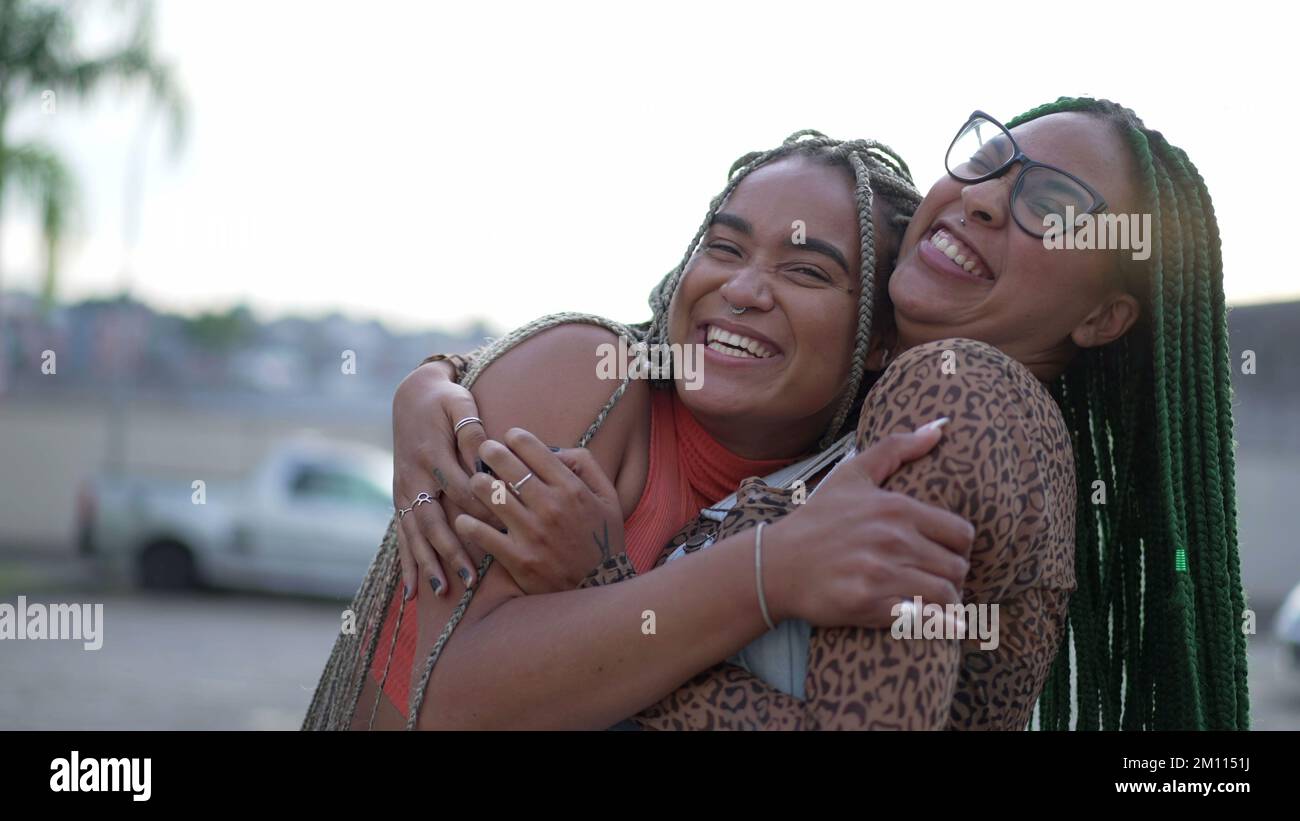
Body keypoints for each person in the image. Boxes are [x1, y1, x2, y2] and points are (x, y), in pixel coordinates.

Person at [304, 99, 1247, 731]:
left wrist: (626, 575)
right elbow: (443, 699)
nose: (743, 290)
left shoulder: (933, 421)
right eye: (724, 245)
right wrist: (434, 379)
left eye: (807, 271)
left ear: (874, 336)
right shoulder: (591, 385)